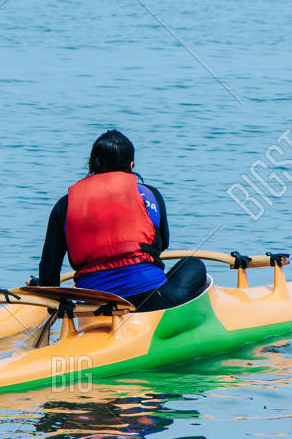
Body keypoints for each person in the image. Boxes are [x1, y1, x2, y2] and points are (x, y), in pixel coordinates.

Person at [36, 130, 208, 313]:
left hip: (93, 305)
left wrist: (58, 306)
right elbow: (161, 244)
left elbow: (48, 274)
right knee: (193, 264)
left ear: (91, 164)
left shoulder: (64, 205)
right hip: (151, 301)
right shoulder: (149, 195)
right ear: (131, 165)